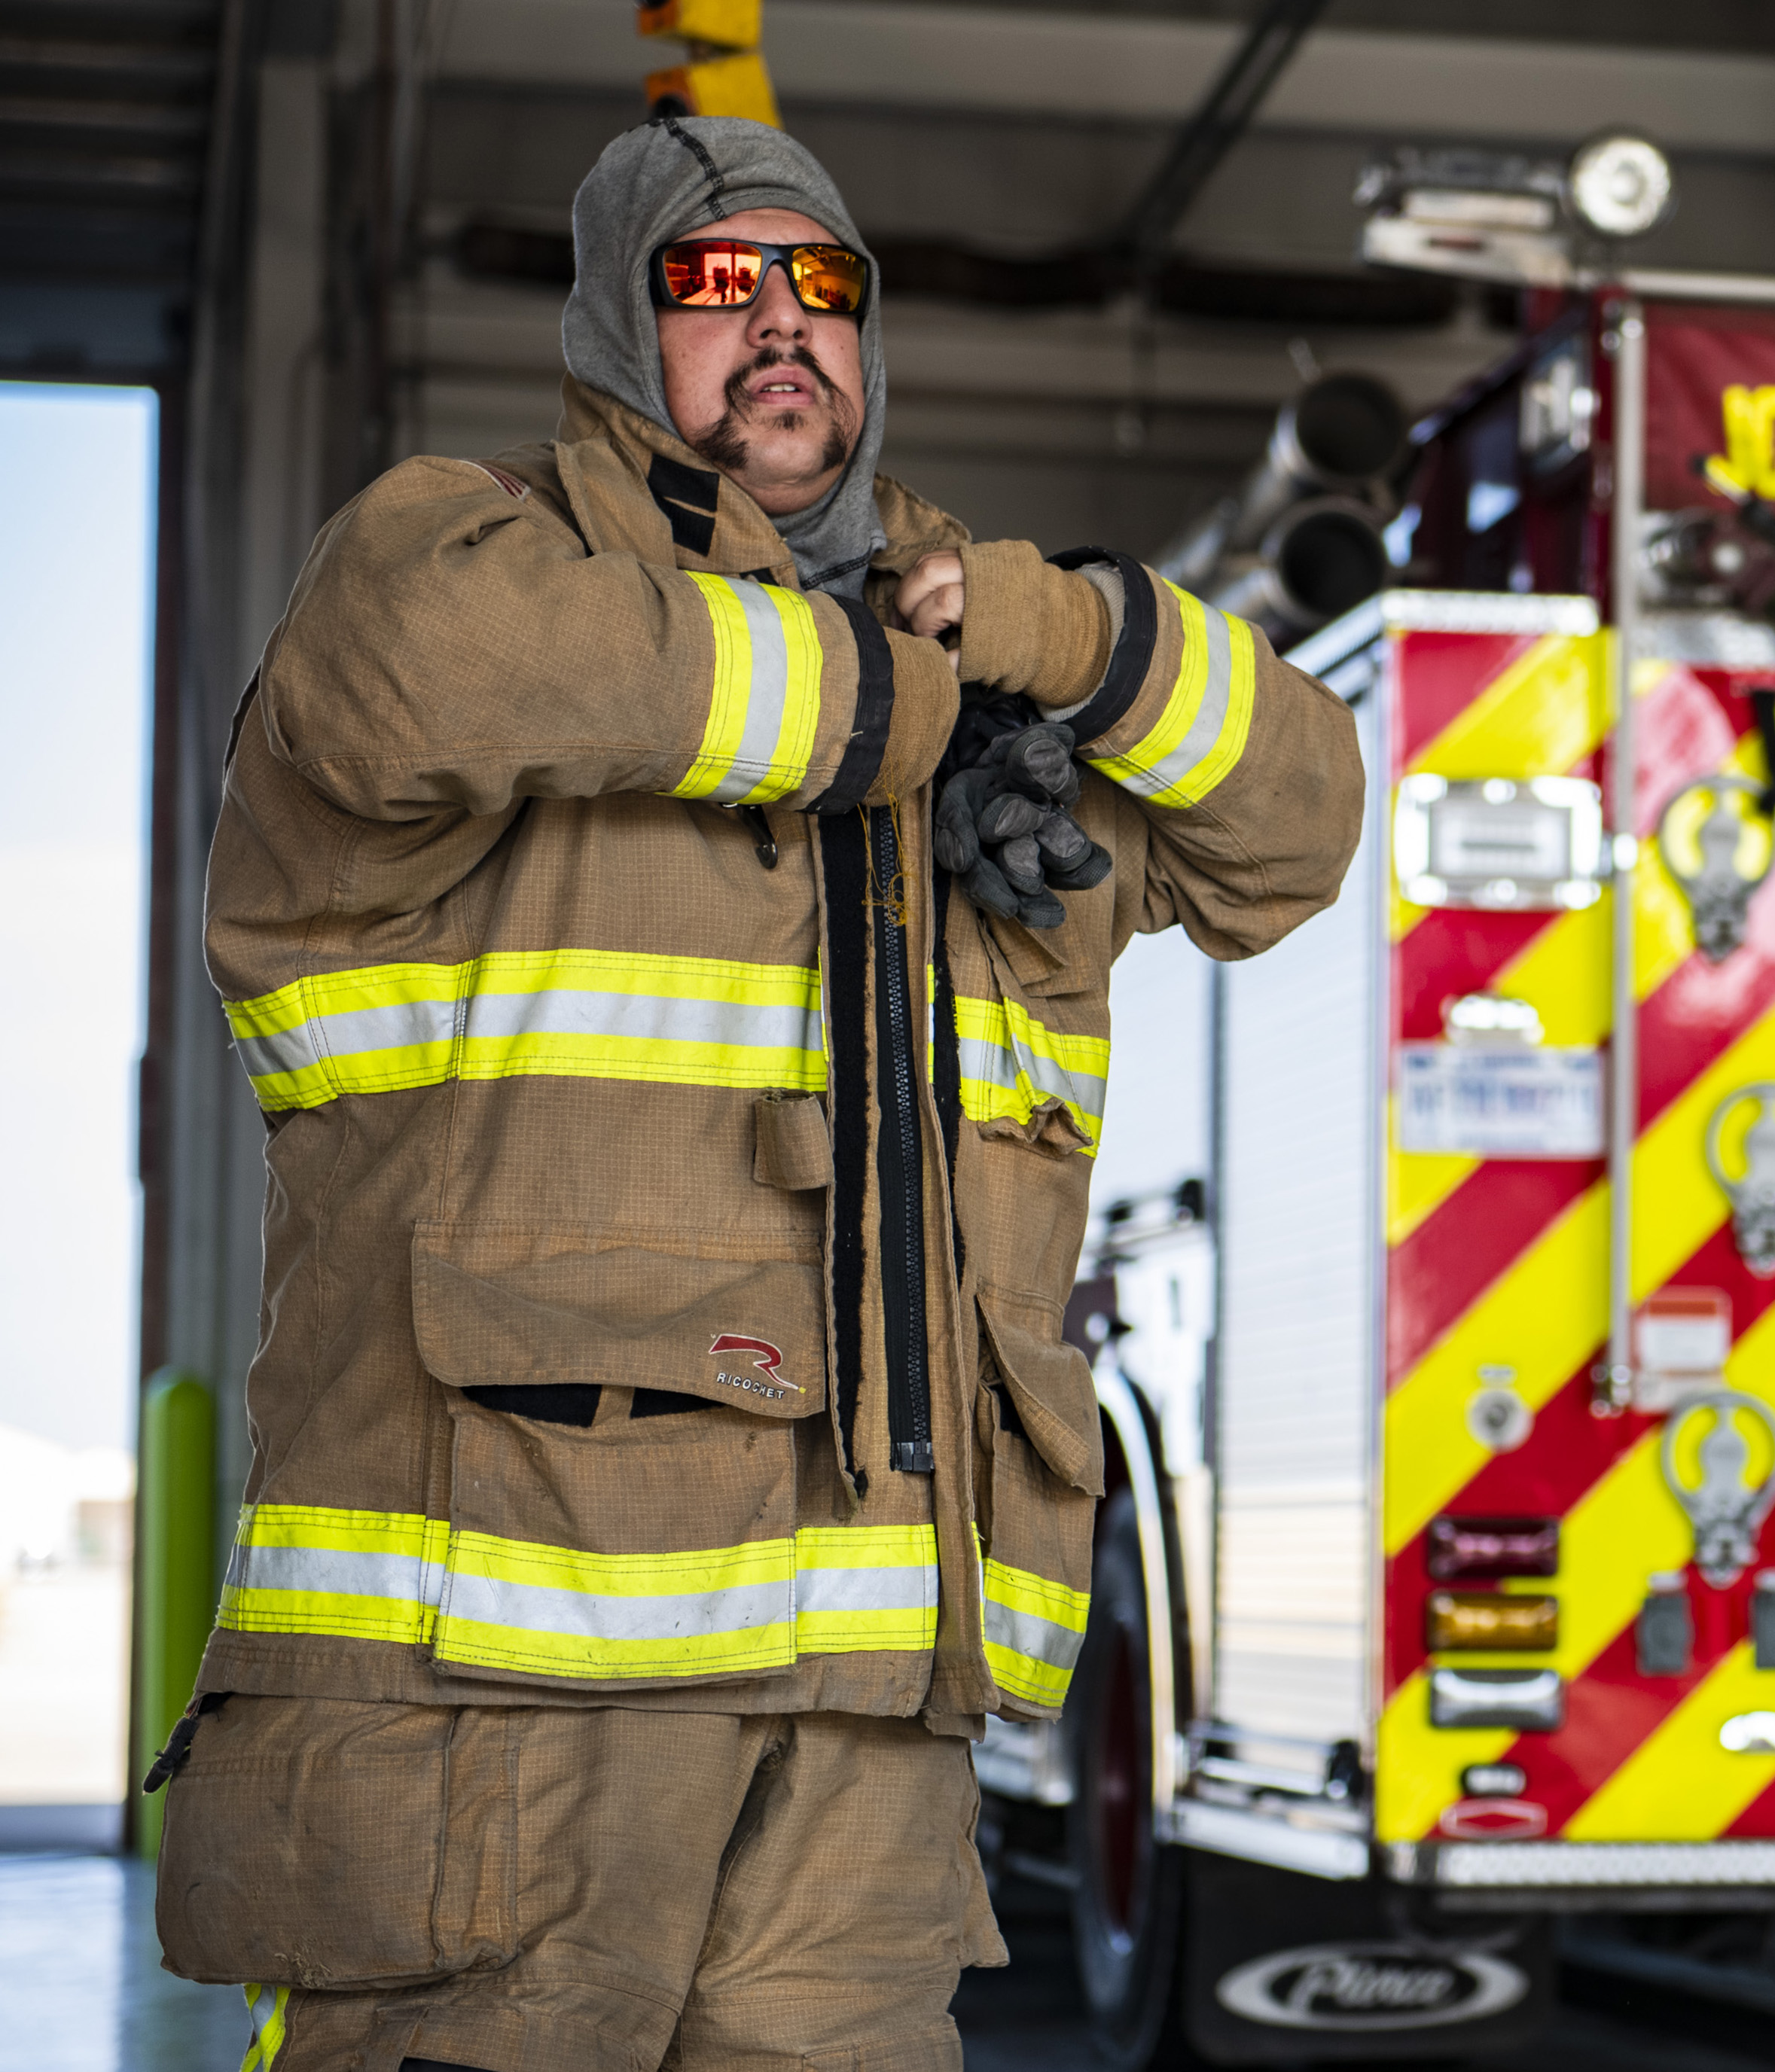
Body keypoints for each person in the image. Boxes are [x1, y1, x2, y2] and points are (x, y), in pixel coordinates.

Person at [147, 115, 1363, 2072]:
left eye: (827, 289)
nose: (782, 322)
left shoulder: (1000, 676)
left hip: (873, 1709)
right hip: (510, 1683)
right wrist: (897, 707)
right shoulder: (452, 560)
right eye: (717, 285)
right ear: (616, 332)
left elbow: (1298, 827)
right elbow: (440, 678)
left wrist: (1073, 640)